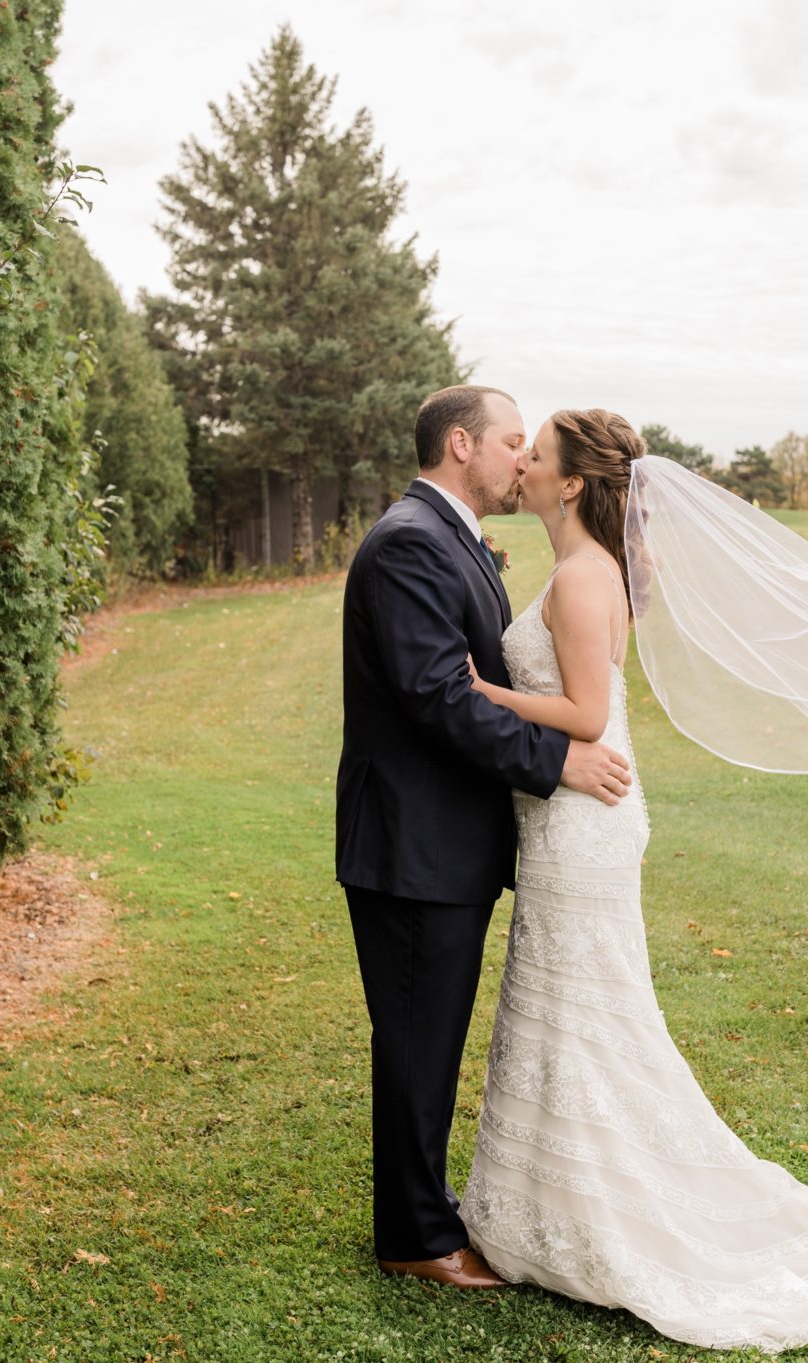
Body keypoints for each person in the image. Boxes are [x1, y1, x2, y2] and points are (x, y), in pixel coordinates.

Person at [456, 408, 808, 1351]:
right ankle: (548, 1198)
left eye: (539, 456)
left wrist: (479, 691)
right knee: (573, 1008)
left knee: (591, 1008)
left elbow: (587, 714)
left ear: (569, 484)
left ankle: (597, 1211)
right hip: (571, 819)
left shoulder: (586, 579)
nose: (524, 466)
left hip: (583, 820)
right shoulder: (581, 573)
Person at [335, 384, 633, 1289]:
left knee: (429, 1033)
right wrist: (558, 762)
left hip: (444, 842)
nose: (521, 458)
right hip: (413, 844)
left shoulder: (449, 538)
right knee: (419, 1037)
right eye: (511, 440)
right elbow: (439, 698)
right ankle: (418, 1237)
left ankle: (429, 1216)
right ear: (461, 445)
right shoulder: (410, 546)